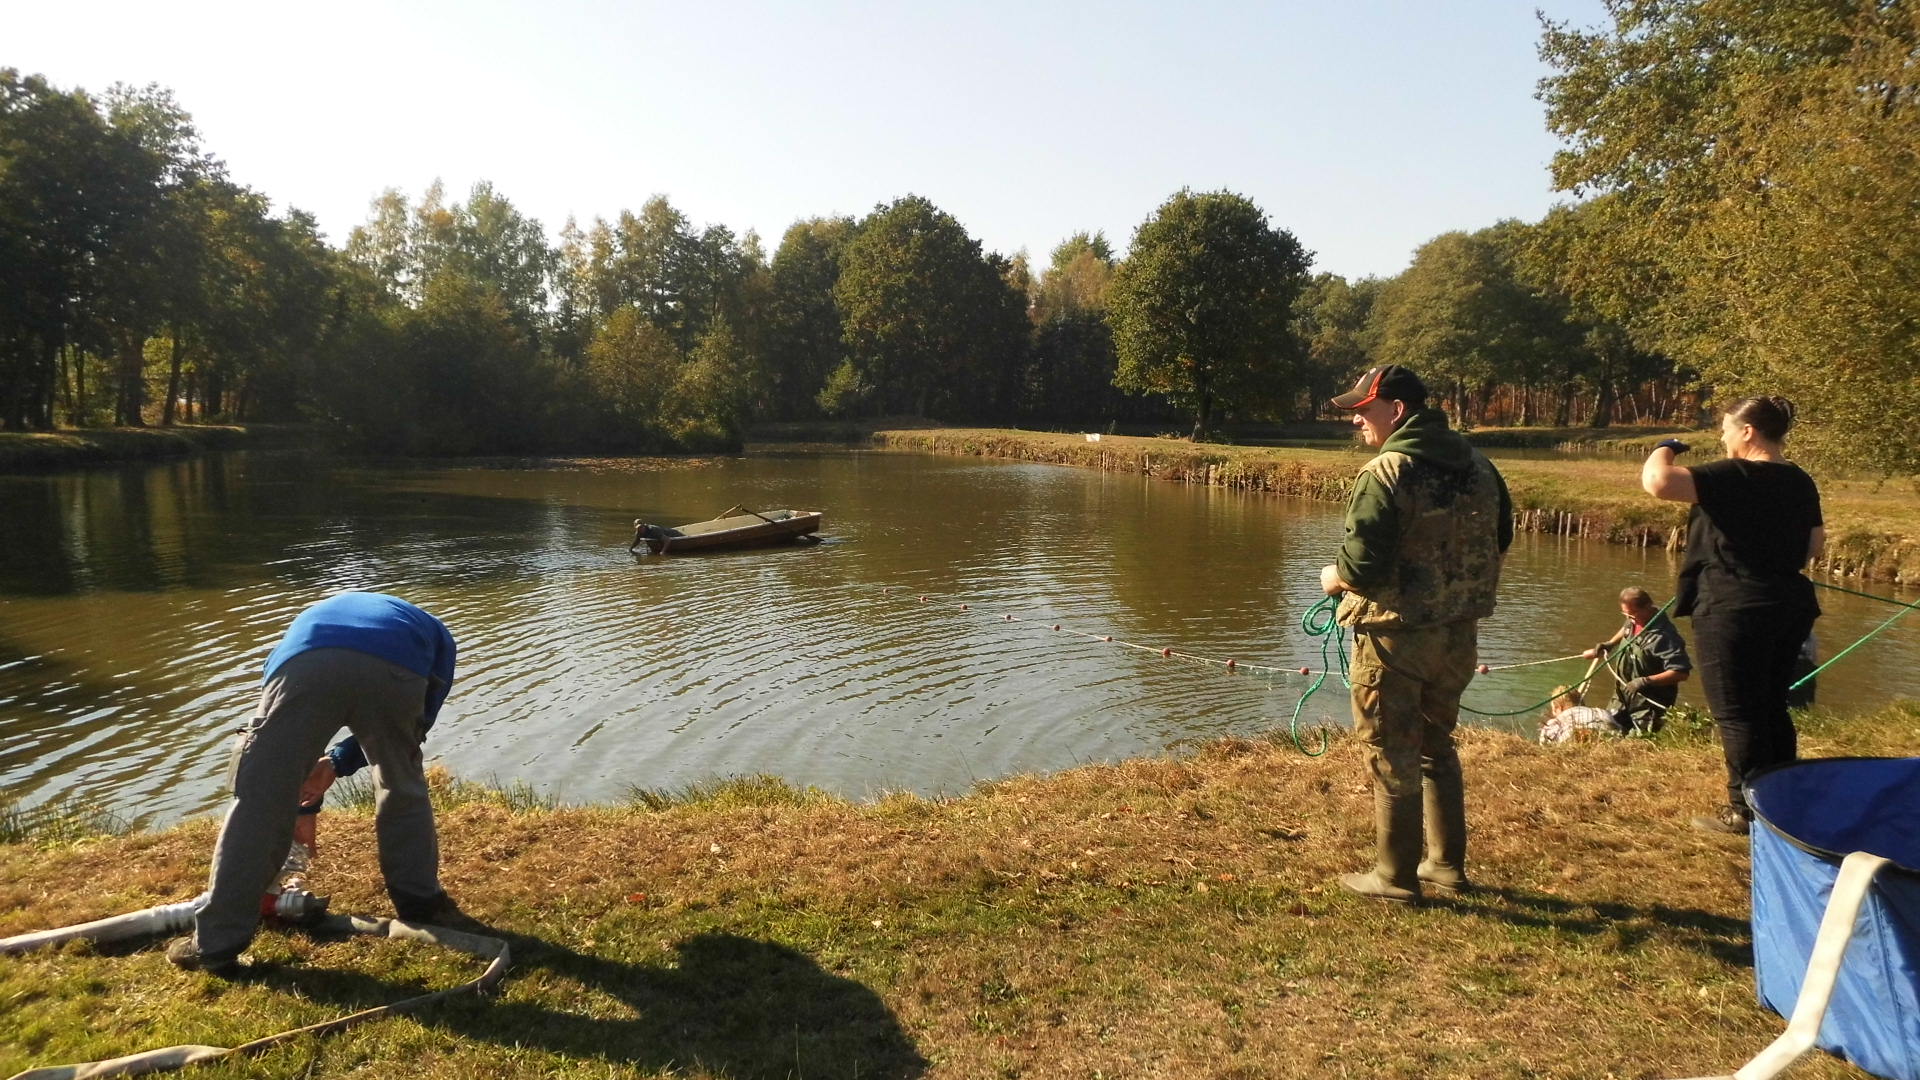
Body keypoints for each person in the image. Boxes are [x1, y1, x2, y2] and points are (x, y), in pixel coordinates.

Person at [168, 591, 461, 975]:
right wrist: (324, 781)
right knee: (400, 784)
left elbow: (285, 735)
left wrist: (318, 776)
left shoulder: (301, 631)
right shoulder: (437, 636)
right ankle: (422, 904)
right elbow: (421, 721)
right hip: (399, 668)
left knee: (259, 798)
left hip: (306, 663)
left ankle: (214, 946)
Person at [1319, 364, 1512, 904]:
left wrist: (1332, 577)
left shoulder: (1385, 471)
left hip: (1394, 639)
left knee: (1390, 752)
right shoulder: (1481, 465)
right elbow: (1501, 539)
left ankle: (1394, 877)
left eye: (1364, 410)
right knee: (1436, 745)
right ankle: (1445, 865)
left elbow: (1360, 567)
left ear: (1397, 410)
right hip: (1457, 635)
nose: (1356, 420)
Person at [1641, 397, 1823, 835]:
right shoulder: (1799, 479)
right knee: (1771, 705)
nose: (1723, 437)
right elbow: (1814, 546)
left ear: (1747, 431)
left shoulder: (1734, 474)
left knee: (1737, 712)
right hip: (1788, 603)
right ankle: (1783, 800)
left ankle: (1745, 811)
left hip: (1732, 606)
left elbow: (1658, 482)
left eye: (1726, 429)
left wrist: (1666, 445)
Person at [1581, 586, 1691, 734]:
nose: (1629, 618)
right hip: (1622, 696)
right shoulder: (1634, 620)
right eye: (1626, 614)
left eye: (1632, 614)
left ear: (1648, 607)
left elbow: (1681, 673)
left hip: (1648, 705)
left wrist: (1645, 681)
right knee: (1607, 732)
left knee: (1638, 741)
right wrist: (1610, 644)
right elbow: (1626, 628)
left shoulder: (1665, 637)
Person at [1538, 685, 1615, 745]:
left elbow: (1543, 746)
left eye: (1554, 710)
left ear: (1558, 707)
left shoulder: (1554, 723)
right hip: (1609, 741)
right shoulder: (1602, 712)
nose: (1554, 714)